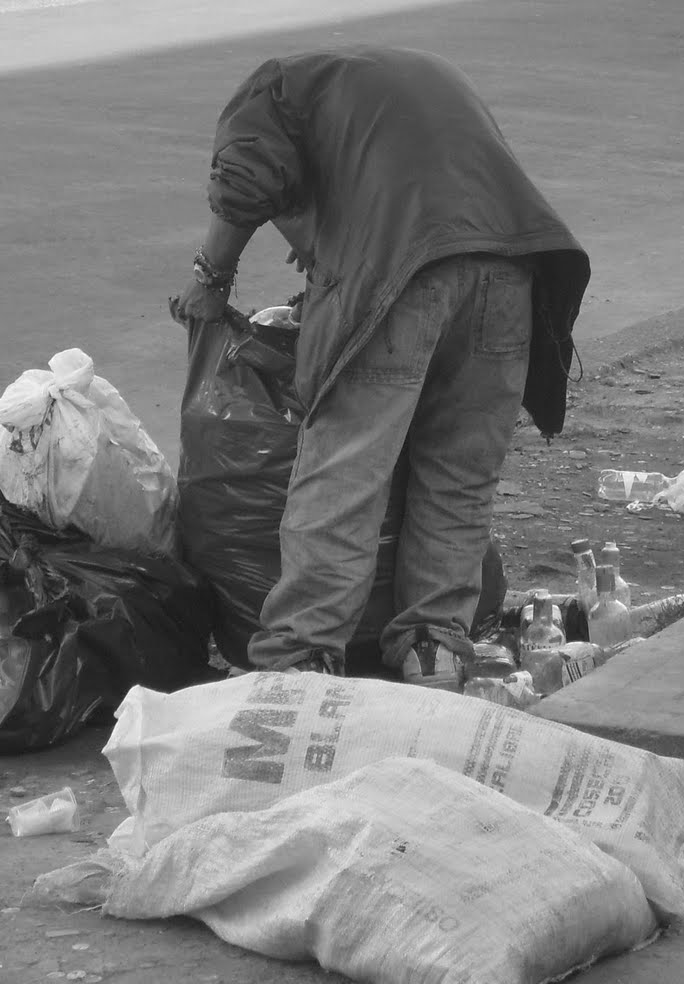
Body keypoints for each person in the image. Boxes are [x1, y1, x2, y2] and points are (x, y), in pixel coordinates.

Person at [170, 46, 590, 691]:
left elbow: (245, 184)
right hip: (511, 273)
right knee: (459, 472)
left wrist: (212, 278)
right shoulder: (410, 80)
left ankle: (302, 654)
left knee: (345, 468)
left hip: (405, 278)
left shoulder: (274, 89)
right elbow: (421, 190)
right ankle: (435, 646)